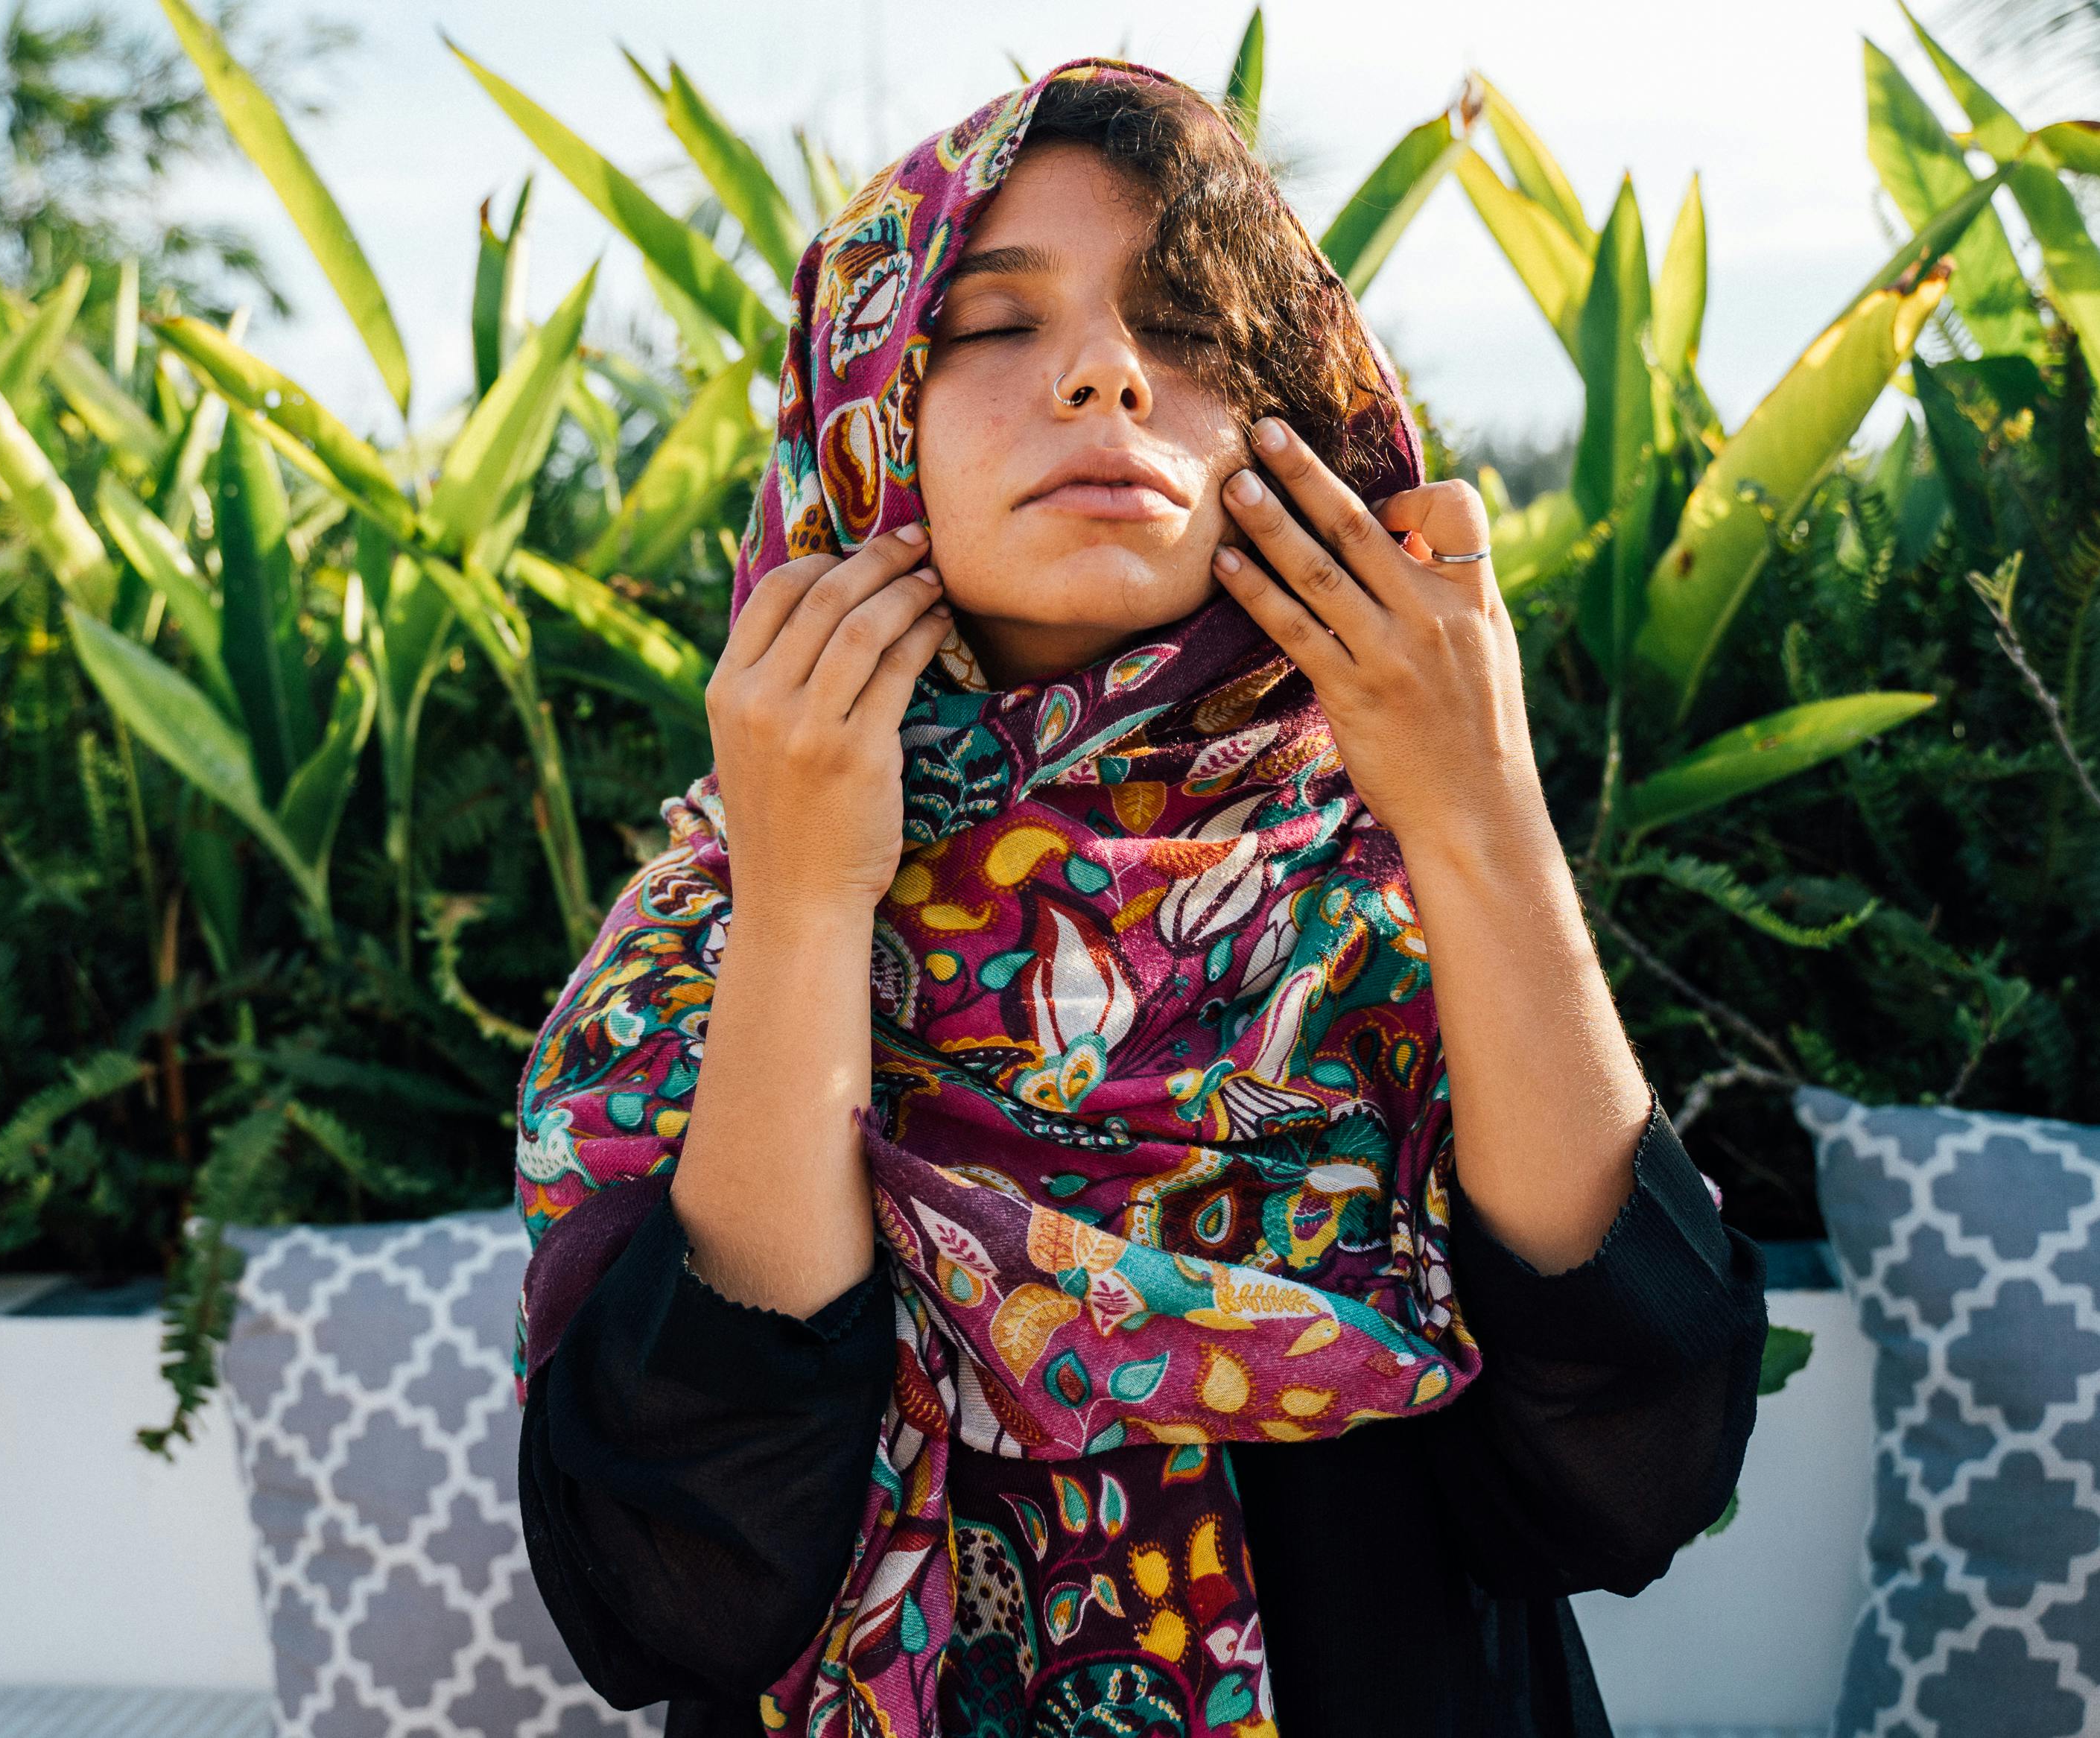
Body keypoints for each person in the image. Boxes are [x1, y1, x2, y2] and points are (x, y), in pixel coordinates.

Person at [511, 59, 1767, 1738]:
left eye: (1189, 328)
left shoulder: (1399, 900)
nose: (1106, 373)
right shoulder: (707, 938)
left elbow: (1634, 1476)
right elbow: (687, 1585)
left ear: (1293, 423)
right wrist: (809, 903)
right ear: (861, 408)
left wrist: (1481, 816)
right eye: (995, 323)